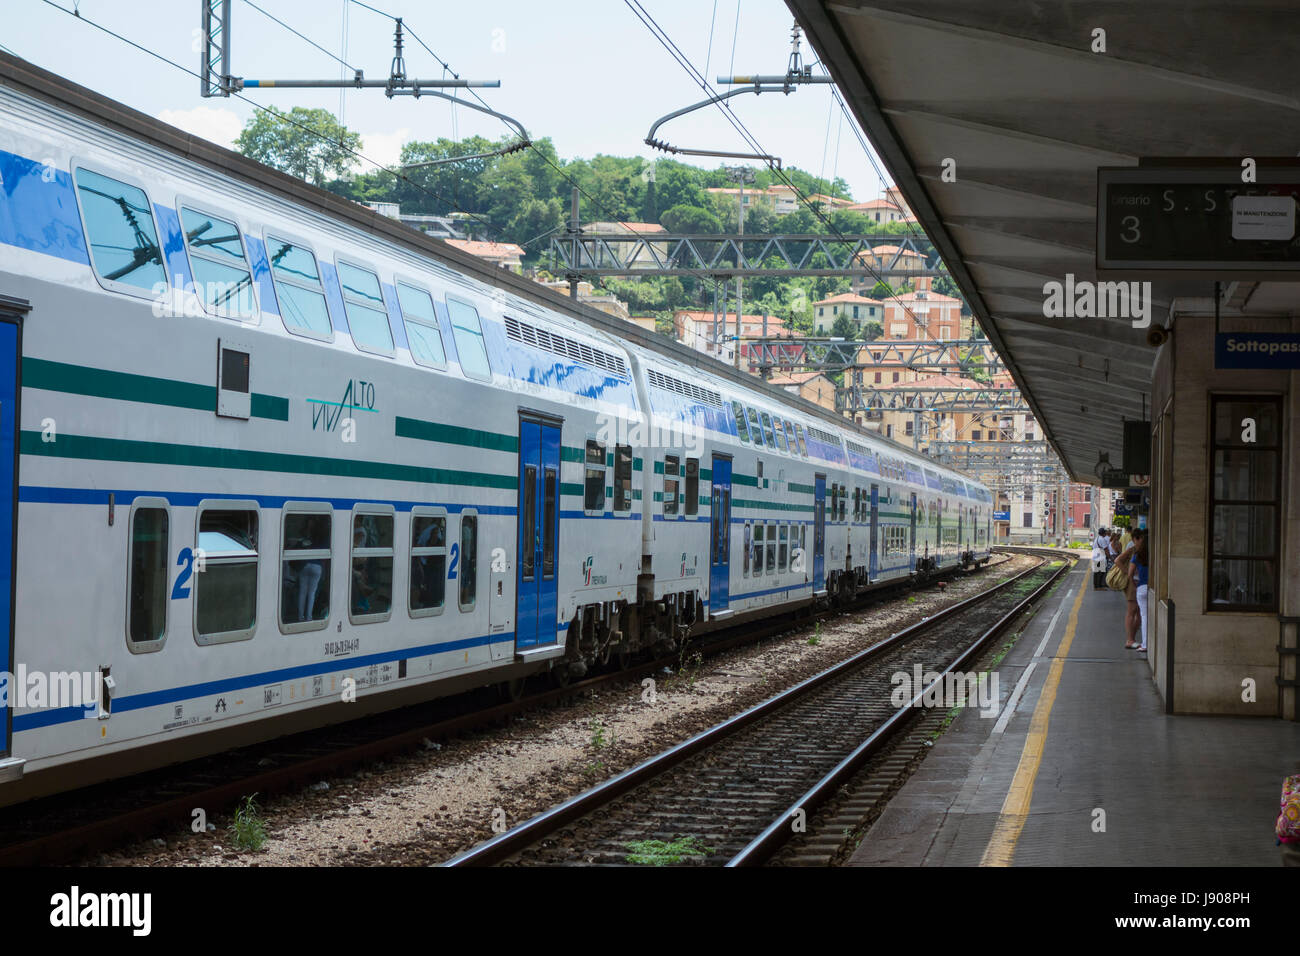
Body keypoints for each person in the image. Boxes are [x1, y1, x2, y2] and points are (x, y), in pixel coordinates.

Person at [1112, 528, 1145, 649]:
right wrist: (1128, 573)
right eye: (1142, 538)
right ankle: (1130, 640)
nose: (1143, 541)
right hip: (1132, 582)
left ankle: (1132, 638)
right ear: (1136, 538)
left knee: (1139, 612)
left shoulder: (1141, 548)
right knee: (1132, 610)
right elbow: (1117, 560)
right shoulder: (1133, 549)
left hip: (1139, 581)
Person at [1132, 532, 1150, 653]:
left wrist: (1134, 585)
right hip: (1153, 587)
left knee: (1144, 617)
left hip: (1141, 587)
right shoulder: (1154, 554)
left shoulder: (1137, 555)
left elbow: (1130, 573)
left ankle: (1145, 644)